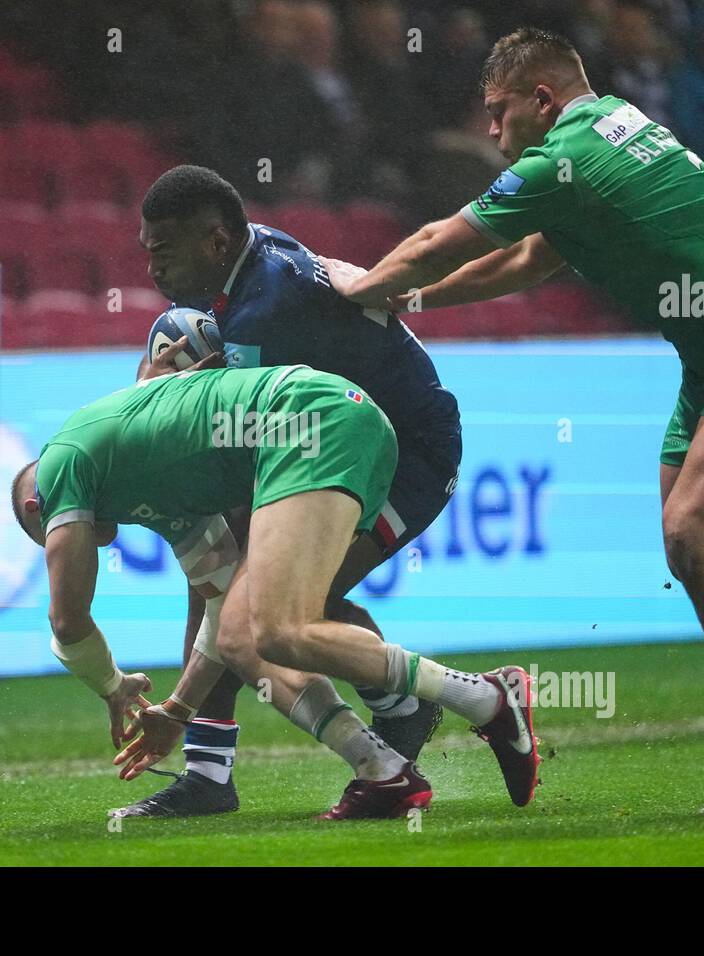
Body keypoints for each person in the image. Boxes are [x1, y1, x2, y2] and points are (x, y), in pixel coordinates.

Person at [322, 27, 704, 813]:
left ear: (542, 99)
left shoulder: (571, 156)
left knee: (693, 537)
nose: (492, 132)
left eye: (499, 113)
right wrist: (412, 299)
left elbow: (438, 241)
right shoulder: (611, 129)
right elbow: (531, 259)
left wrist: (347, 297)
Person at [10, 365, 539, 820]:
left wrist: (111, 685)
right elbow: (220, 618)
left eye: (50, 531)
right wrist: (176, 709)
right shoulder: (164, 499)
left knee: (281, 628)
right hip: (337, 426)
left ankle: (486, 696)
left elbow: (68, 620)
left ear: (40, 507)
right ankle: (382, 771)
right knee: (247, 635)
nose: (67, 540)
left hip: (308, 421)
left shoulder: (61, 464)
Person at [117, 164, 462, 818]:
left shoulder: (263, 317)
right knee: (225, 568)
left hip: (409, 454)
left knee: (283, 600)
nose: (153, 266)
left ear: (215, 243)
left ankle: (404, 707)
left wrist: (156, 396)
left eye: (164, 249)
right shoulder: (255, 256)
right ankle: (211, 771)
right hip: (340, 438)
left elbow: (229, 447)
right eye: (147, 249)